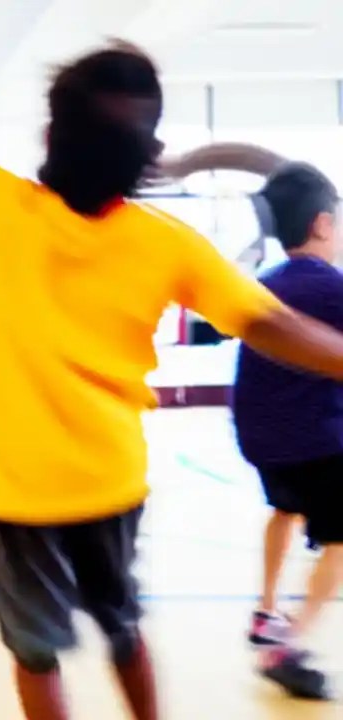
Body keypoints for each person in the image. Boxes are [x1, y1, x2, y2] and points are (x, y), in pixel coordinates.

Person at [0, 35, 343, 717]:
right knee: (121, 624)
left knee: (35, 650)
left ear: (51, 134)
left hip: (12, 484)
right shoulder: (166, 242)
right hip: (107, 479)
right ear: (149, 156)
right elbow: (272, 325)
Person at [229, 161, 343, 699]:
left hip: (261, 441)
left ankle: (265, 611)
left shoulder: (263, 286)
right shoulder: (333, 289)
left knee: (286, 509)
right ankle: (289, 644)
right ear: (323, 224)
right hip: (315, 441)